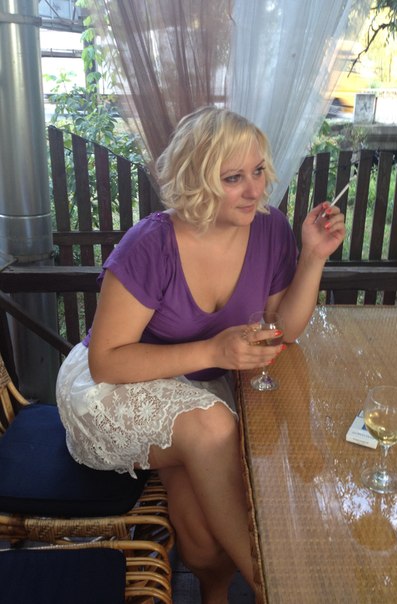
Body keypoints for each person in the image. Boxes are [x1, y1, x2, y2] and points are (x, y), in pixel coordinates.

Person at [56, 106, 345, 603]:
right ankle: (277, 588)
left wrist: (314, 257)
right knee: (213, 428)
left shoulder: (271, 228)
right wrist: (214, 348)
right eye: (234, 178)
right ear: (196, 181)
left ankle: (214, 593)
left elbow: (282, 331)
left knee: (200, 519)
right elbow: (107, 361)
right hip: (110, 389)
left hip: (196, 392)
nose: (254, 190)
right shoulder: (151, 245)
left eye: (258, 171)